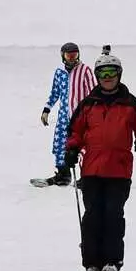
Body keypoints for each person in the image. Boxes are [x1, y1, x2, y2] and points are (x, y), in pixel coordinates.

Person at [50, 54, 136, 271]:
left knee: (113, 214)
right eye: (103, 74)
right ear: (97, 77)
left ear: (119, 75)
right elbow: (75, 131)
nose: (107, 78)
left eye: (111, 74)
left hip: (119, 171)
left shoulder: (130, 103)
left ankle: (112, 261)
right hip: (92, 171)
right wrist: (71, 149)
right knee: (92, 216)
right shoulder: (88, 104)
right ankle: (91, 262)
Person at [37, 42, 96, 184]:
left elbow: (94, 93)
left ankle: (86, 177)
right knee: (59, 144)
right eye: (68, 55)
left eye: (74, 55)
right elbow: (55, 93)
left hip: (82, 117)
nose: (72, 58)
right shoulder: (59, 73)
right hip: (64, 117)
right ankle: (63, 174)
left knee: (84, 147)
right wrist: (46, 109)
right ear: (63, 56)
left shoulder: (85, 71)